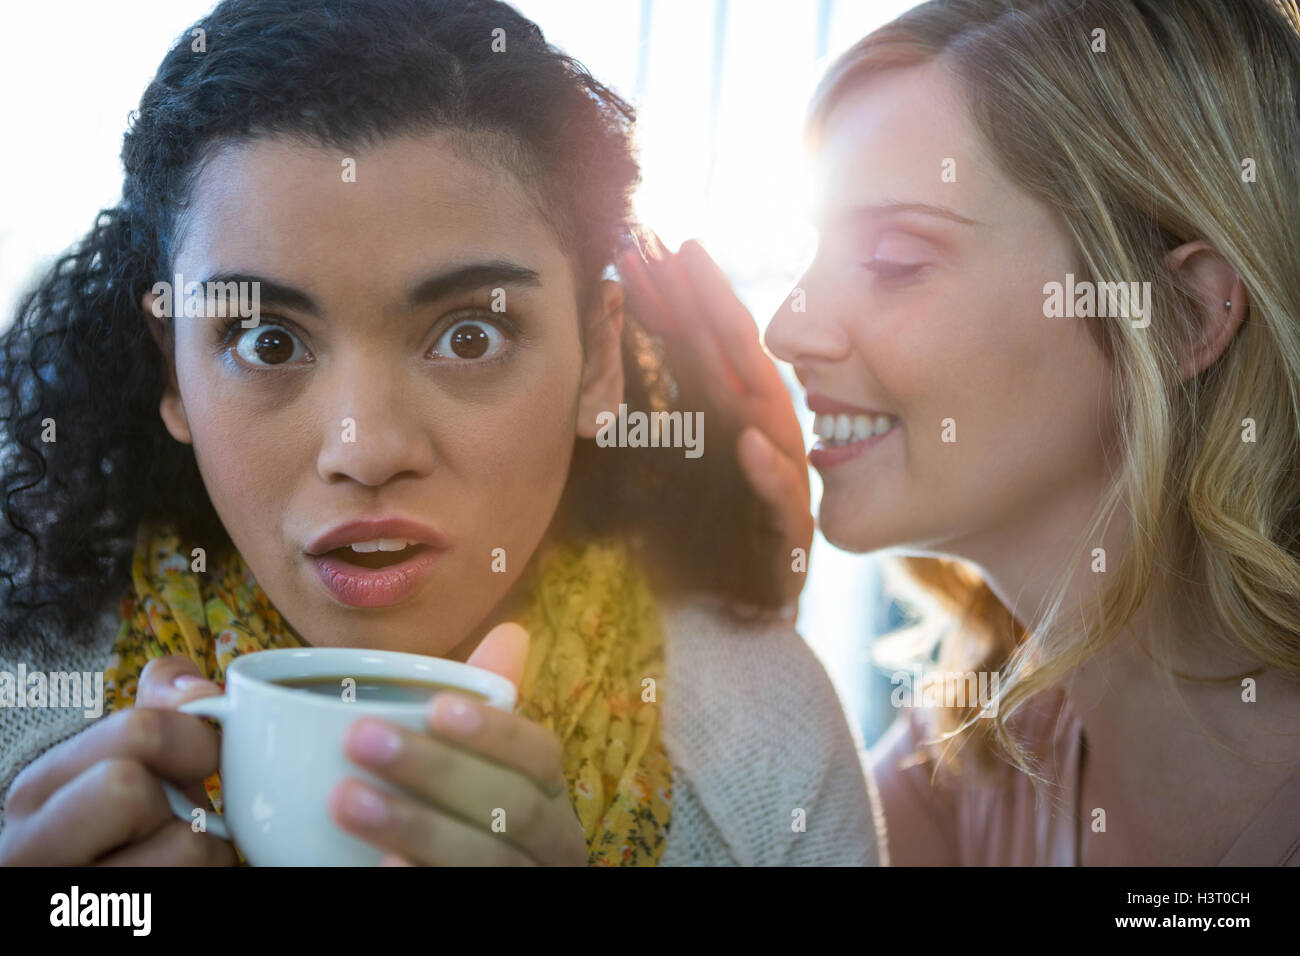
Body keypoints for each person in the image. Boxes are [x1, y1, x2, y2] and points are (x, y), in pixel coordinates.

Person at [0, 0, 878, 866]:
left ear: (598, 358)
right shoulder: (26, 727)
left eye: (470, 337)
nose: (367, 449)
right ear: (172, 374)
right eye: (268, 341)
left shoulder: (768, 748)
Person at [621, 0, 1300, 865]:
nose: (788, 328)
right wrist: (744, 631)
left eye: (895, 262)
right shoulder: (963, 770)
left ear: (1180, 316)